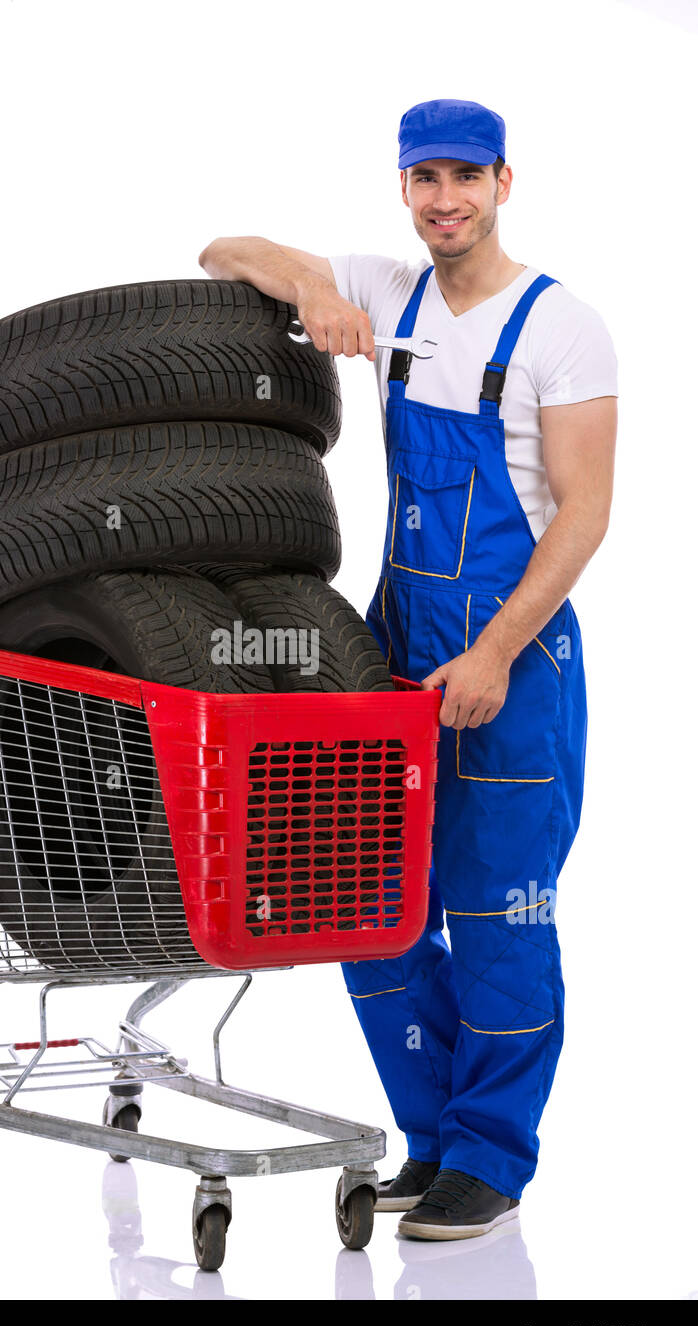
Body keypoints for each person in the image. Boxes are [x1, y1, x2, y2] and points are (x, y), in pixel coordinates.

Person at [198, 97, 617, 1240]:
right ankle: (427, 1138)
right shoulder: (386, 289)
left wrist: (492, 650)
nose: (444, 199)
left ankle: (490, 1157)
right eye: (423, 177)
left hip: (511, 657)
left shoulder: (557, 325)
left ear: (502, 182)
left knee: (497, 913)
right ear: (400, 185)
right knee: (363, 900)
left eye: (464, 177)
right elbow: (222, 251)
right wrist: (316, 293)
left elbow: (584, 514)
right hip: (389, 646)